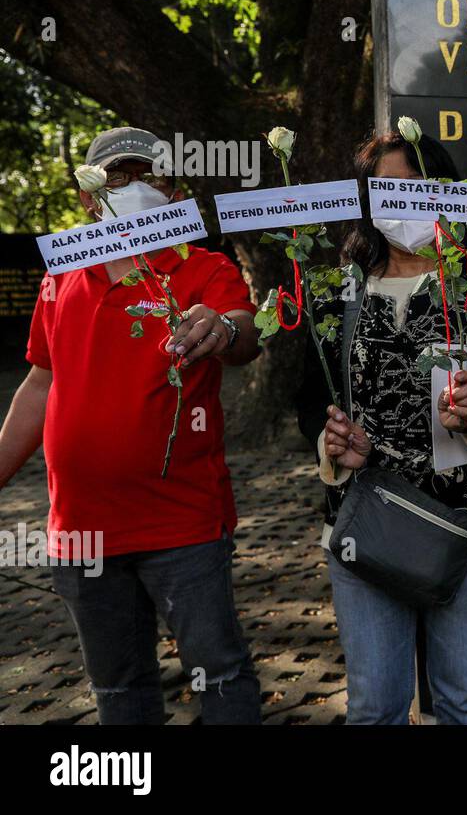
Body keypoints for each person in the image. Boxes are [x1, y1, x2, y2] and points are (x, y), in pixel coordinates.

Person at [0, 126, 263, 724]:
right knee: (117, 690)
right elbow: (41, 382)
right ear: (92, 197)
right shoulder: (61, 274)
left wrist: (221, 330)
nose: (138, 187)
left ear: (174, 193)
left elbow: (244, 335)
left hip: (183, 524)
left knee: (218, 676)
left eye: (154, 176)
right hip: (82, 532)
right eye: (119, 177)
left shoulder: (203, 267)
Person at [297, 129, 467, 725]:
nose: (402, 201)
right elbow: (309, 405)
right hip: (367, 518)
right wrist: (332, 441)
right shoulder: (334, 297)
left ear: (446, 192)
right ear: (366, 201)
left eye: (417, 187)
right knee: (374, 704)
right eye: (386, 189)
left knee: (465, 698)